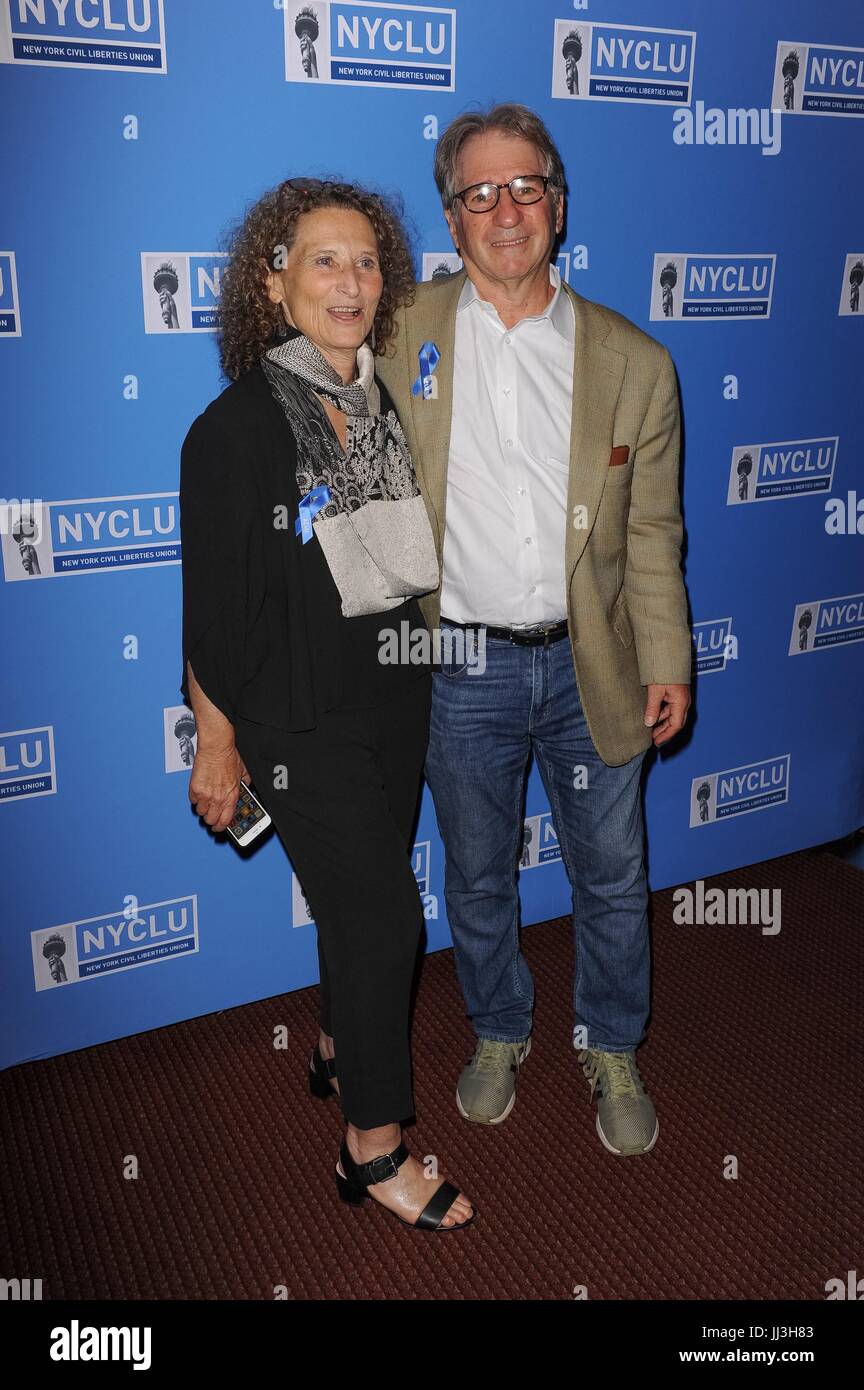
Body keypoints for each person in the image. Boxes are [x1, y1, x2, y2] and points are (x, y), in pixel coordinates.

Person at [377, 105, 693, 1156]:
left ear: (556, 204)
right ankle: (500, 1028)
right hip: (455, 661)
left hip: (591, 660)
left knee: (610, 869)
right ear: (452, 216)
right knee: (474, 871)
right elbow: (346, 491)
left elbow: (652, 534)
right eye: (480, 192)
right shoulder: (397, 334)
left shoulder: (636, 363)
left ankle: (612, 1041)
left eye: (525, 188)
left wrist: (670, 662)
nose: (504, 210)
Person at [179, 177, 475, 1230]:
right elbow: (209, 614)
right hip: (295, 717)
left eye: (364, 260)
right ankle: (372, 1147)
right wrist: (214, 742)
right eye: (322, 259)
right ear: (275, 282)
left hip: (393, 691)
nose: (349, 281)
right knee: (388, 914)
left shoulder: (380, 403)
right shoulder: (236, 429)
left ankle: (338, 1042)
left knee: (357, 911)